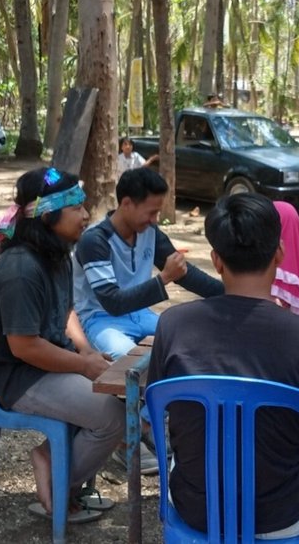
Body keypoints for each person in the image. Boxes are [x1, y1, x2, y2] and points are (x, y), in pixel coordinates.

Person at [149, 193, 299, 543]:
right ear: (279, 253)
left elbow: (157, 409)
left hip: (195, 507)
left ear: (216, 260)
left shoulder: (173, 325)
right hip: (284, 514)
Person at [0, 167, 124, 524]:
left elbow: (67, 310)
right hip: (17, 377)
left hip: (44, 365)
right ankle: (60, 482)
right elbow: (25, 347)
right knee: (111, 415)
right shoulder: (21, 268)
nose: (86, 215)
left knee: (120, 390)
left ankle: (51, 457)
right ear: (48, 214)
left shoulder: (57, 253)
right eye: (76, 207)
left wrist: (86, 351)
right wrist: (82, 365)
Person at [73, 167, 224, 472]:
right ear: (126, 203)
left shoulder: (149, 232)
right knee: (131, 365)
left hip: (138, 313)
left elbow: (184, 274)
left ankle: (141, 427)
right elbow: (112, 302)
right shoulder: (95, 241)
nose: (155, 219)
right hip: (100, 318)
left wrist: (230, 293)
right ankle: (128, 439)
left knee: (189, 351)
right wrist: (163, 279)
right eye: (151, 212)